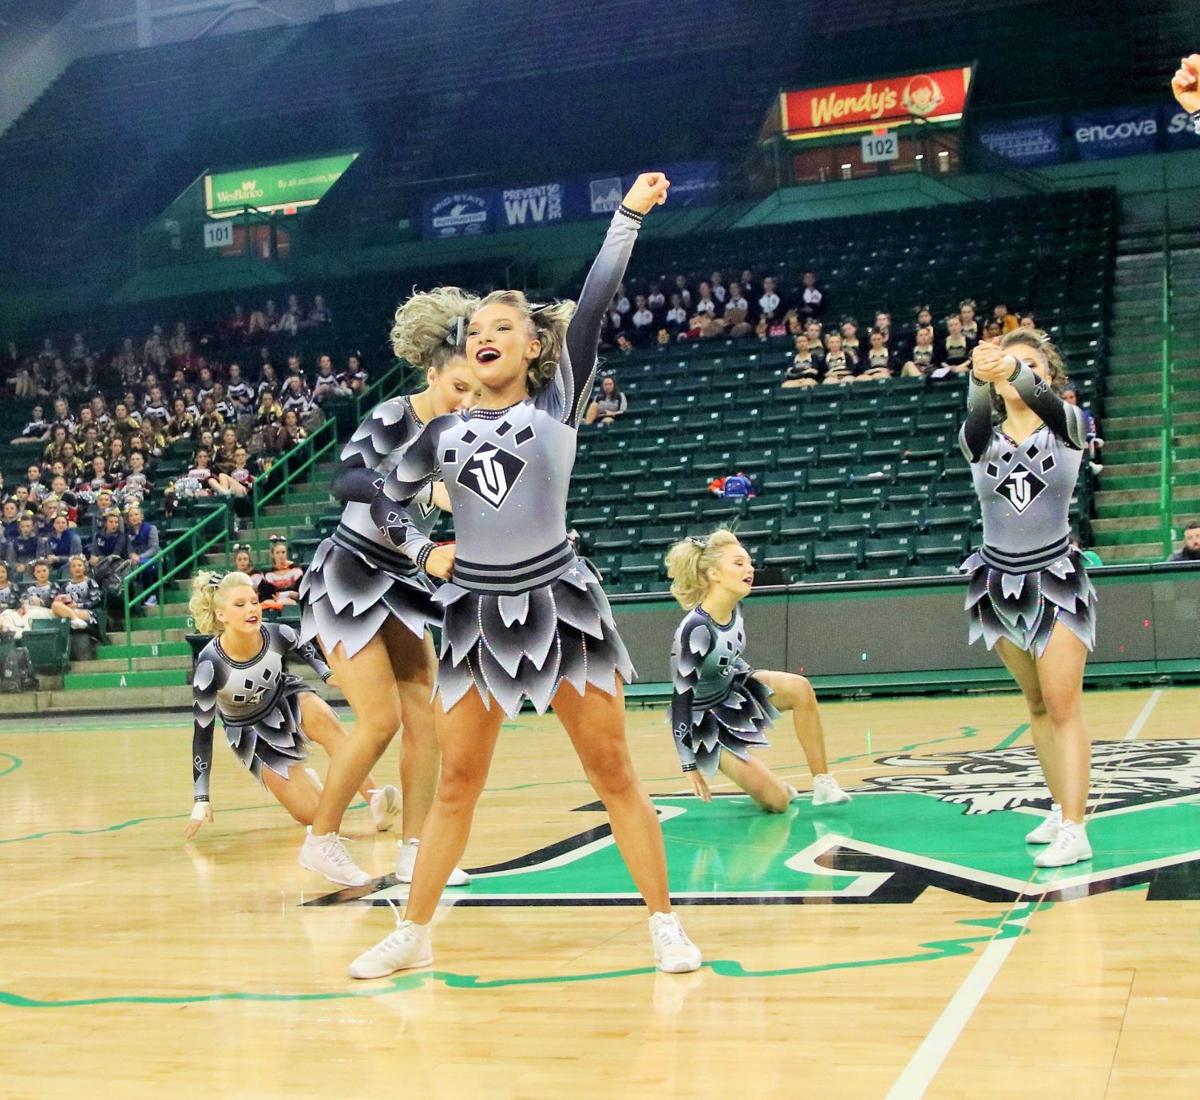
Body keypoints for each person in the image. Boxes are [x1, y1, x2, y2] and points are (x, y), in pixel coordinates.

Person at [343, 173, 702, 979]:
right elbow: (371, 495)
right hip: (473, 613)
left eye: (502, 326)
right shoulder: (442, 435)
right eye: (475, 329)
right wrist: (423, 550)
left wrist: (628, 216)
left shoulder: (555, 408)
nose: (484, 335)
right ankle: (416, 929)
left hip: (559, 602)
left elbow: (599, 297)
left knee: (612, 772)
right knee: (458, 782)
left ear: (534, 346)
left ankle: (664, 924)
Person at [298, 286, 482, 888]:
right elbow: (347, 481)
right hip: (348, 575)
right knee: (379, 720)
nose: (468, 400)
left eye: (475, 392)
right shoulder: (394, 416)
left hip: (398, 580)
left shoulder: (464, 437)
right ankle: (320, 839)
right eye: (458, 388)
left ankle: (415, 851)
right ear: (432, 372)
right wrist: (424, 500)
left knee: (426, 716)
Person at [960, 331, 1096, 868]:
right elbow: (974, 415)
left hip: (1056, 580)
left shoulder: (1069, 425)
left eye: (1031, 363)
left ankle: (1076, 826)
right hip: (997, 584)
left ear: (1047, 375)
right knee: (1037, 705)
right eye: (1011, 363)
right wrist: (977, 374)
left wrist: (1009, 367)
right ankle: (1062, 805)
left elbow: (1041, 398)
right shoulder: (980, 438)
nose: (1018, 370)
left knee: (1064, 707)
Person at [184, 571, 399, 862]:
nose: (251, 609)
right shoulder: (210, 666)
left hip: (285, 697)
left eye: (254, 601)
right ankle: (305, 781)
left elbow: (301, 643)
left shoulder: (275, 633)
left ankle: (374, 799)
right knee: (313, 814)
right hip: (251, 732)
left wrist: (326, 673)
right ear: (221, 614)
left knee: (324, 718)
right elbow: (202, 733)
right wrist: (201, 798)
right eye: (240, 605)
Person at [664, 530, 850, 810]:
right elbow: (681, 701)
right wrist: (689, 765)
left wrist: (754, 692)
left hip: (731, 690)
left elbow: (730, 658)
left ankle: (823, 783)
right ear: (714, 574)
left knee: (799, 688)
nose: (749, 568)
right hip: (704, 723)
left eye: (749, 562)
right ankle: (768, 787)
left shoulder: (734, 606)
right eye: (738, 563)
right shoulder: (696, 630)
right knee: (778, 804)